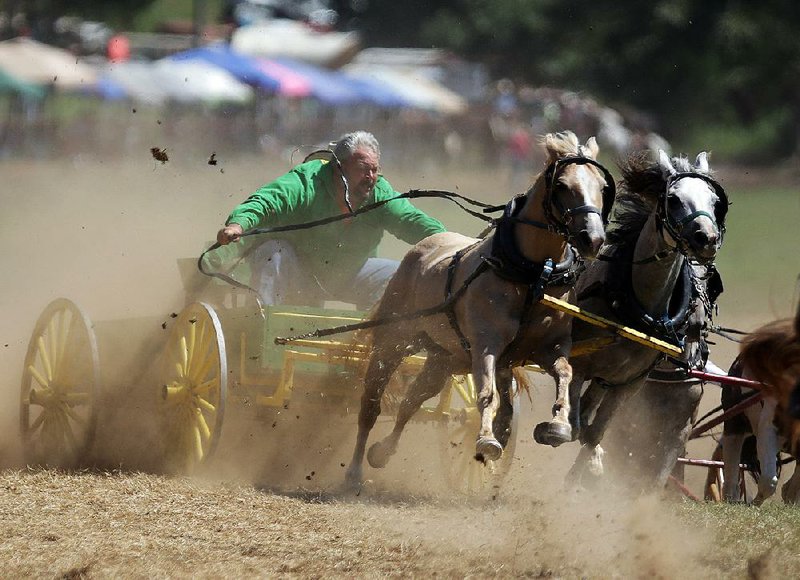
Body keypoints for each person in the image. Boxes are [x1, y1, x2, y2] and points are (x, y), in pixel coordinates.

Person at [216, 131, 446, 309]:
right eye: (362, 169)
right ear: (339, 168)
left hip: (349, 274)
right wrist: (238, 224)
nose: (370, 178)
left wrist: (447, 244)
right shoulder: (307, 181)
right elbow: (266, 201)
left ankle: (370, 340)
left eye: (374, 170)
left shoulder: (380, 193)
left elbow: (411, 220)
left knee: (398, 275)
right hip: (297, 270)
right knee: (273, 252)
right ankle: (265, 327)